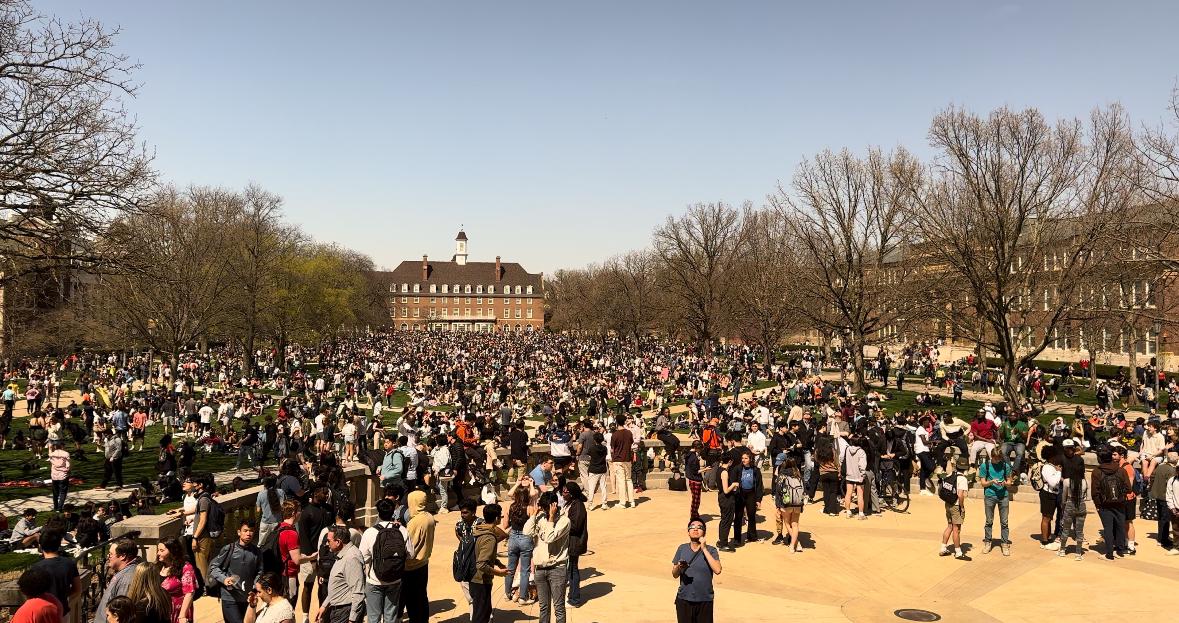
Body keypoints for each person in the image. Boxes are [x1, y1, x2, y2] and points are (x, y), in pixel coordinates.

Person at [359, 499, 413, 623]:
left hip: (374, 580)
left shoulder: (369, 532)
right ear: (393, 512)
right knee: (391, 616)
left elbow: (363, 557)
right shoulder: (402, 530)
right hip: (395, 579)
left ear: (378, 513)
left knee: (373, 617)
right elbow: (411, 554)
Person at [525, 491, 570, 623]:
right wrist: (534, 514)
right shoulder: (541, 518)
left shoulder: (564, 521)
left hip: (557, 568)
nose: (544, 511)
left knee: (559, 607)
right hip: (540, 569)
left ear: (554, 505)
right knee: (543, 607)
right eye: (543, 508)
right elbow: (526, 532)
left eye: (546, 508)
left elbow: (550, 538)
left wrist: (551, 518)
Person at [209, 522, 263, 623]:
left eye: (251, 531)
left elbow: (259, 572)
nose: (248, 534)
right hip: (229, 597)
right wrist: (224, 579)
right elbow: (214, 567)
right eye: (245, 530)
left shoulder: (257, 552)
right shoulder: (229, 549)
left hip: (247, 598)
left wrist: (255, 587)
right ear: (239, 532)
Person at [672, 520, 722, 623]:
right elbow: (674, 574)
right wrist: (679, 566)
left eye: (699, 527)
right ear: (688, 532)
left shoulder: (711, 550)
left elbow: (717, 569)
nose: (695, 529)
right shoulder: (682, 548)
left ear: (704, 532)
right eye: (692, 527)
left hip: (704, 599)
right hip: (684, 599)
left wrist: (704, 549)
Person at [315, 526, 365, 623]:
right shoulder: (343, 555)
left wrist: (352, 619)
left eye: (329, 541)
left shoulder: (351, 558)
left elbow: (358, 592)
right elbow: (339, 586)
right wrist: (324, 605)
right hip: (340, 611)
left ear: (338, 542)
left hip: (345, 613)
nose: (326, 544)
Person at [469, 503, 509, 623]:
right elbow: (481, 564)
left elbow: (481, 553)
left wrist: (497, 562)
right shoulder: (490, 537)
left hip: (475, 579)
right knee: (481, 616)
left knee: (482, 612)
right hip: (481, 581)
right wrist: (499, 572)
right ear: (497, 518)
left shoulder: (479, 530)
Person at [1092, 446, 1132, 560]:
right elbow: (1128, 489)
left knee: (1108, 528)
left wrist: (1098, 506)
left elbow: (1095, 492)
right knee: (1120, 527)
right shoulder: (1121, 470)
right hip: (1120, 503)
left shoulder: (1096, 472)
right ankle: (1120, 551)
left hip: (1105, 505)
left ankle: (1109, 554)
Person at [400, 490, 435, 623]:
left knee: (411, 600)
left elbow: (409, 545)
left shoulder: (415, 522)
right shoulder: (429, 517)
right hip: (423, 562)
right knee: (421, 596)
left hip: (411, 566)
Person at [31, 530, 80, 618]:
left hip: (43, 614)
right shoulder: (69, 563)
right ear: (59, 545)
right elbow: (77, 589)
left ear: (40, 546)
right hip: (63, 611)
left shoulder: (36, 567)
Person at [503, 483, 535, 605]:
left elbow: (505, 525)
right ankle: (522, 597)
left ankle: (507, 594)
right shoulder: (530, 508)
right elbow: (532, 526)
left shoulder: (509, 507)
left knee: (510, 569)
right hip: (525, 538)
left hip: (513, 537)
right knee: (525, 570)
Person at [95, 540, 141, 623]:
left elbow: (120, 612)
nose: (108, 556)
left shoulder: (127, 579)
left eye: (111, 554)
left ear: (122, 556)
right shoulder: (124, 572)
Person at [978, 446, 1013, 556]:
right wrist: (992, 481)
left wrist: (1005, 483)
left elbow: (1009, 481)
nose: (997, 461)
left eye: (999, 459)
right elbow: (983, 483)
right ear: (991, 457)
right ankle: (988, 542)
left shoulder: (1005, 466)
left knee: (1004, 522)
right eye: (995, 459)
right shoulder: (985, 466)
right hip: (990, 495)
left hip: (1003, 496)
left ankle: (1004, 543)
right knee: (989, 521)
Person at [157, 537, 197, 623]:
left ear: (172, 551)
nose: (158, 553)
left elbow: (189, 592)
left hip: (177, 611)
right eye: (158, 550)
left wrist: (182, 615)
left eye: (162, 550)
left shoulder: (186, 568)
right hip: (160, 611)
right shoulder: (157, 566)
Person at [938, 456, 971, 561]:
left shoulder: (951, 474)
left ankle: (943, 548)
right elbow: (960, 495)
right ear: (966, 468)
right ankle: (958, 552)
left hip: (948, 504)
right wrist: (961, 506)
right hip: (956, 505)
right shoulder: (962, 479)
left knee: (949, 527)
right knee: (957, 529)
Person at [562, 482, 588, 607]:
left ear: (572, 494)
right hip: (568, 542)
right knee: (570, 570)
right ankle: (571, 595)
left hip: (574, 543)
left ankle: (575, 599)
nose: (563, 493)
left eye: (566, 492)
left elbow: (575, 526)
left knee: (573, 570)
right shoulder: (570, 504)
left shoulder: (578, 506)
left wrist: (560, 526)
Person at [772, 458, 805, 552]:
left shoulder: (782, 475)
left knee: (787, 523)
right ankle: (794, 545)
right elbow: (803, 490)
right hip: (798, 504)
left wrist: (778, 506)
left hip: (786, 504)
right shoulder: (798, 475)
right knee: (795, 524)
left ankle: (796, 543)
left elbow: (778, 492)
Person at [1058, 460, 1089, 561]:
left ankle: (1062, 549)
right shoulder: (1084, 482)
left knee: (1066, 528)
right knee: (1079, 531)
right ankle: (1078, 553)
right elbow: (1087, 497)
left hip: (1070, 504)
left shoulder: (1067, 481)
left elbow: (1064, 496)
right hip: (1081, 505)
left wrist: (1063, 505)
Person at [734, 451, 764, 543]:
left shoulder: (755, 470)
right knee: (738, 516)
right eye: (742, 458)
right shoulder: (737, 468)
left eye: (746, 458)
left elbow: (759, 485)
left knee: (751, 515)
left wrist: (758, 499)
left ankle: (752, 536)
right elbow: (733, 481)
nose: (743, 460)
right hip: (740, 494)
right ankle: (737, 539)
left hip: (751, 494)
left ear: (750, 459)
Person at [609, 415, 636, 509]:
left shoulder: (615, 434)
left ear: (616, 422)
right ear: (625, 422)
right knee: (629, 480)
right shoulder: (629, 433)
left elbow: (612, 449)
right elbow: (631, 444)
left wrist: (613, 458)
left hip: (618, 459)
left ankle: (622, 502)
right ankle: (632, 501)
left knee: (621, 481)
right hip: (627, 458)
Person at [1038, 449, 1062, 550]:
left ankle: (1048, 537)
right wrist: (1059, 472)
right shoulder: (1047, 467)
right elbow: (1053, 482)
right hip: (1047, 494)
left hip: (1053, 494)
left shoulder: (1052, 467)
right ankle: (1044, 541)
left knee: (1049, 518)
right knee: (1046, 518)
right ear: (1051, 457)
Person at [715, 454, 738, 552]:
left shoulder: (719, 469)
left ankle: (721, 541)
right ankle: (723, 543)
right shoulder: (724, 472)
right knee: (727, 520)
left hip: (722, 498)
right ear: (729, 461)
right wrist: (733, 485)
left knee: (724, 519)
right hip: (726, 499)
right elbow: (726, 490)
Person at [842, 437, 867, 520]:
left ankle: (848, 512)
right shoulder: (861, 452)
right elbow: (862, 465)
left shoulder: (847, 450)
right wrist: (863, 475)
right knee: (860, 495)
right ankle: (861, 513)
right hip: (859, 475)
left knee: (848, 493)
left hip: (849, 474)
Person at [47, 441, 71, 513]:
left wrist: (50, 447)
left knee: (55, 492)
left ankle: (55, 507)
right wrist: (68, 470)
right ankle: (59, 508)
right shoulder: (65, 454)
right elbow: (68, 465)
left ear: (55, 447)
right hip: (63, 475)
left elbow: (49, 452)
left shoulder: (52, 454)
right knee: (63, 492)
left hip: (54, 475)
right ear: (62, 446)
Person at [684, 441, 704, 521]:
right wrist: (705, 469)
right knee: (696, 500)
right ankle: (693, 515)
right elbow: (696, 471)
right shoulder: (694, 458)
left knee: (694, 499)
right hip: (696, 480)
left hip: (691, 479)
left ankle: (694, 514)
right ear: (697, 448)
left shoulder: (688, 455)